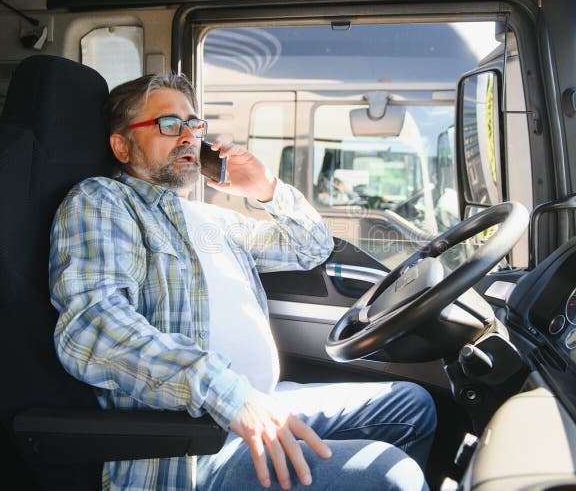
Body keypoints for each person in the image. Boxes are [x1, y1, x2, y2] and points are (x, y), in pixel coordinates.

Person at [49, 73, 437, 491]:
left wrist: (266, 188)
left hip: (260, 399)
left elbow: (309, 246)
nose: (188, 137)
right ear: (122, 146)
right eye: (168, 125)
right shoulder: (103, 201)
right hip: (194, 446)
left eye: (194, 125)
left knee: (413, 406)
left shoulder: (212, 218)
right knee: (391, 474)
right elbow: (92, 331)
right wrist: (229, 394)